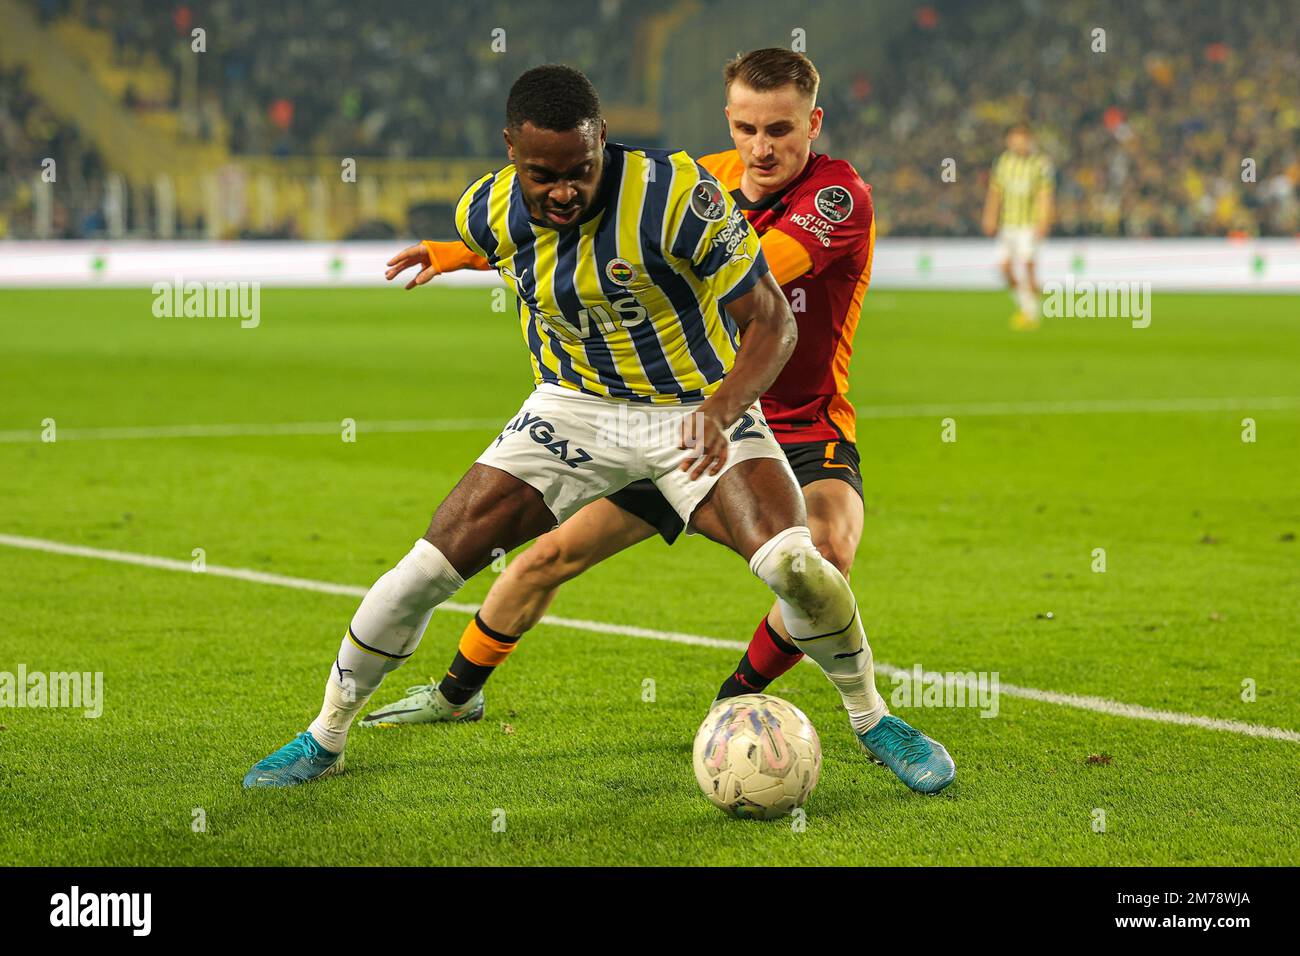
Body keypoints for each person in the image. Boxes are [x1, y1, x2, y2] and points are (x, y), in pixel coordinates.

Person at [243, 63, 942, 792]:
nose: (564, 191)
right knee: (426, 569)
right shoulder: (485, 208)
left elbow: (771, 319)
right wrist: (453, 253)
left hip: (692, 407)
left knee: (798, 565)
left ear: (602, 140)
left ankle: (871, 718)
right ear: (511, 150)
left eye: (579, 169)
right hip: (573, 408)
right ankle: (327, 735)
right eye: (543, 176)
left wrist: (721, 410)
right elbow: (505, 239)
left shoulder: (677, 196)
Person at [982, 124, 1055, 331]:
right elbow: (995, 192)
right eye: (1014, 140)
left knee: (1028, 265)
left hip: (1028, 225)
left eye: (1022, 139)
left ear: (1029, 140)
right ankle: (1027, 305)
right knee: (1004, 268)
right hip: (1008, 224)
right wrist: (989, 216)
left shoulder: (1040, 163)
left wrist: (1044, 220)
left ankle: (1029, 312)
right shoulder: (1003, 162)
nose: (1018, 144)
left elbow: (1044, 194)